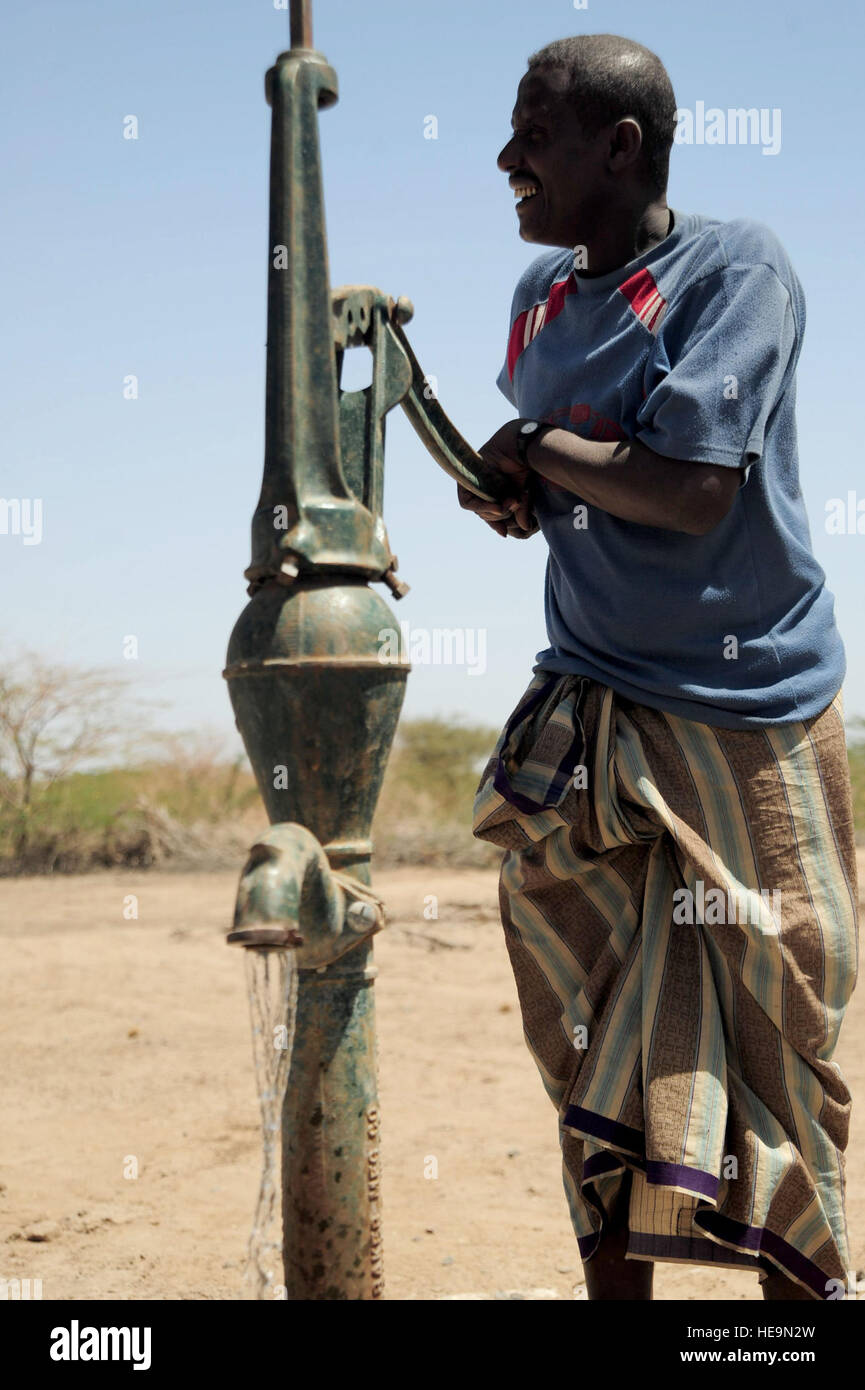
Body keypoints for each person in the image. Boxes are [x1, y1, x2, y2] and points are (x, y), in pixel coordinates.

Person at [460, 32, 859, 1301]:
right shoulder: (535, 297)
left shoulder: (734, 270)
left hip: (748, 713)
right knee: (593, 1038)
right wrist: (519, 490)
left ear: (620, 146)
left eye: (536, 130)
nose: (507, 157)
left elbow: (687, 490)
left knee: (780, 1038)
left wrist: (535, 448)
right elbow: (579, 482)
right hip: (596, 707)